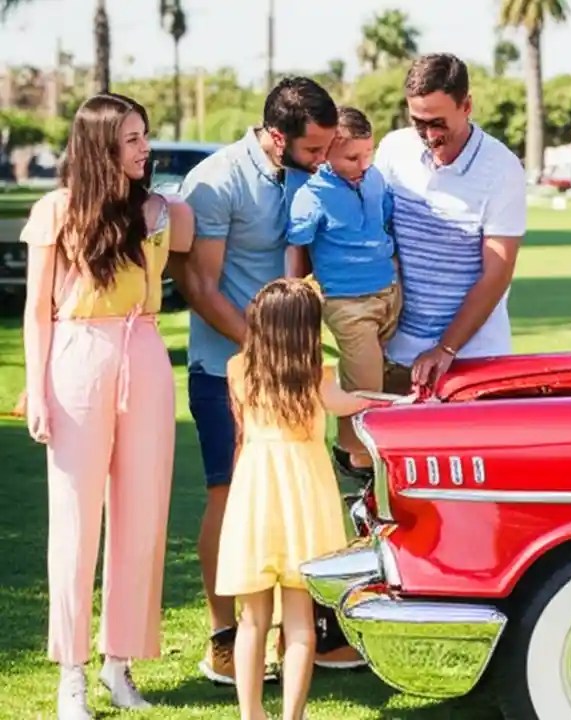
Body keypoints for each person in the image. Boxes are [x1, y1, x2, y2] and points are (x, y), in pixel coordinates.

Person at [173, 75, 363, 684]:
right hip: (226, 366)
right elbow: (198, 286)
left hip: (297, 366)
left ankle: (303, 634)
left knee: (298, 493)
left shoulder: (311, 172)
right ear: (277, 137)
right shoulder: (216, 181)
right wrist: (269, 350)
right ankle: (226, 638)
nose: (322, 160)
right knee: (231, 497)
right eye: (313, 150)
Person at [20, 93, 194, 718]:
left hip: (142, 352)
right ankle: (72, 673)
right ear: (101, 147)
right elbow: (37, 310)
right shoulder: (55, 212)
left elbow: (188, 238)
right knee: (73, 520)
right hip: (77, 357)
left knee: (142, 516)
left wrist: (159, 206)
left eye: (145, 136)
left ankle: (118, 663)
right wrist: (35, 389)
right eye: (132, 139)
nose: (145, 148)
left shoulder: (157, 211)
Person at [215, 278, 385, 720]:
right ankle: (292, 716)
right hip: (305, 498)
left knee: (252, 618)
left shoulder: (238, 371)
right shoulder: (318, 377)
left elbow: (240, 438)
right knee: (300, 622)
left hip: (255, 494)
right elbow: (349, 404)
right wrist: (389, 400)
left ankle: (251, 714)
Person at [372, 53, 527, 396]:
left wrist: (446, 349)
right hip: (394, 355)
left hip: (472, 361)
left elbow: (497, 273)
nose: (427, 134)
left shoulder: (502, 169)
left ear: (467, 105)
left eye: (438, 122)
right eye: (417, 121)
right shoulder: (394, 149)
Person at [286, 106, 400, 475]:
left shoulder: (374, 179)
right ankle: (358, 459)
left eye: (369, 154)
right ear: (327, 152)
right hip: (348, 302)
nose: (363, 164)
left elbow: (384, 223)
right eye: (353, 157)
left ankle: (377, 453)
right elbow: (296, 245)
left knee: (389, 378)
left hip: (389, 293)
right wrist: (292, 293)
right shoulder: (313, 194)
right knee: (365, 385)